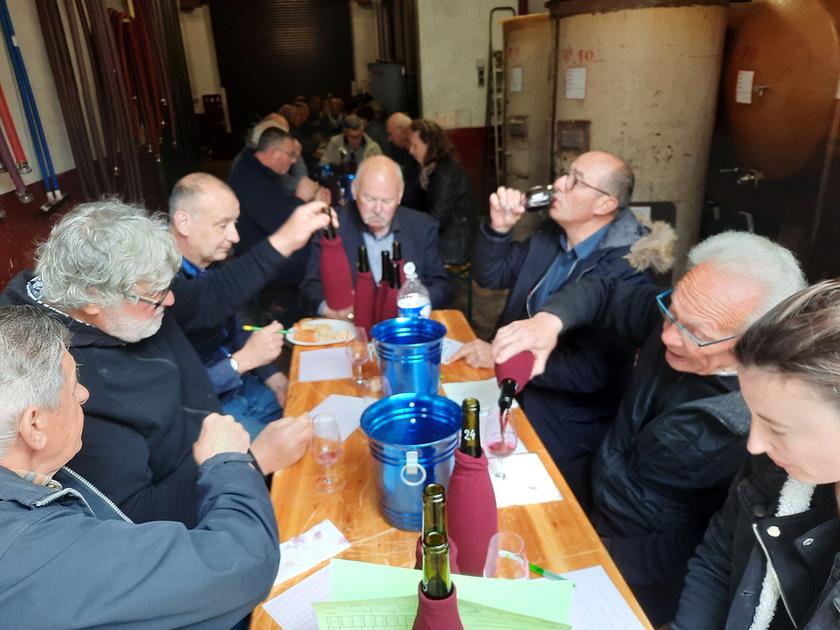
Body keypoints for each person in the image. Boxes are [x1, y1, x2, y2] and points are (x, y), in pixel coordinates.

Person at [491, 231, 806, 625]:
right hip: (591, 502)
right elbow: (604, 291)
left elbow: (706, 539)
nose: (667, 334)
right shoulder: (684, 316)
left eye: (695, 334)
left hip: (638, 565)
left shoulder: (763, 423)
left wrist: (598, 555)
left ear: (754, 343)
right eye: (671, 311)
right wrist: (548, 322)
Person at [0, 201, 314, 527]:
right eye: (156, 296)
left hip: (218, 447)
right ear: (93, 298)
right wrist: (251, 461)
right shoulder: (60, 383)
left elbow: (207, 299)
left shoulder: (122, 294)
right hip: (200, 509)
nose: (171, 301)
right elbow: (139, 515)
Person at [0, 305, 279, 628]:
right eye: (72, 385)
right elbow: (243, 562)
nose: (84, 393)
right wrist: (229, 462)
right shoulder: (37, 549)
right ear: (34, 426)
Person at [454, 151, 676, 482]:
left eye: (575, 180)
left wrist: (503, 358)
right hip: (509, 388)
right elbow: (492, 275)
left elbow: (591, 372)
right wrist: (498, 230)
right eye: (564, 175)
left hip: (564, 422)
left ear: (605, 205)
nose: (558, 183)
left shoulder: (626, 270)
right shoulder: (549, 237)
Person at [673, 280, 840, 630]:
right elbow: (718, 559)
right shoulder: (773, 467)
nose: (754, 445)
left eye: (777, 428)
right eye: (752, 416)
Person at [169, 173, 333, 438]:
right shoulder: (161, 287)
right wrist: (242, 362)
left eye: (235, 223)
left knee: (318, 419)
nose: (234, 236)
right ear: (184, 223)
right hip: (207, 413)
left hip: (245, 388)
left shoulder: (207, 264)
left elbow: (234, 326)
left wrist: (272, 376)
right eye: (222, 225)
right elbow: (179, 395)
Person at [301, 155, 451, 319]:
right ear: (354, 190)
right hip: (350, 327)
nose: (377, 210)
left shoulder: (422, 226)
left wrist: (416, 302)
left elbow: (441, 285)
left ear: (399, 196)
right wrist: (330, 311)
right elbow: (310, 286)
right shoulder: (332, 225)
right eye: (370, 199)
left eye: (387, 201)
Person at [408, 119, 475, 265]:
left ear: (430, 146)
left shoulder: (446, 172)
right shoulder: (430, 169)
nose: (410, 150)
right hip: (446, 236)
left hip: (453, 244)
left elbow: (438, 218)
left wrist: (412, 228)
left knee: (405, 251)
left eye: (415, 145)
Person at [385, 112, 423, 210]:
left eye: (390, 133)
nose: (389, 139)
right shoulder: (398, 150)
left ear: (401, 131)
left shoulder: (421, 150)